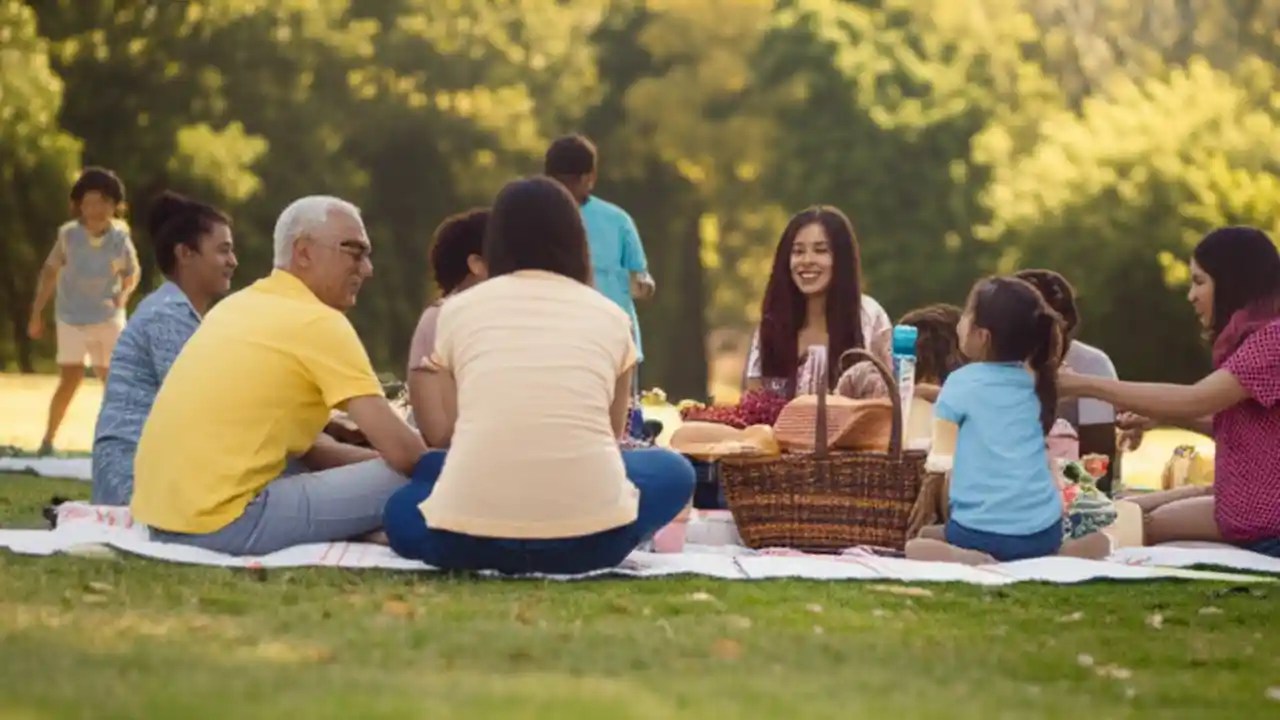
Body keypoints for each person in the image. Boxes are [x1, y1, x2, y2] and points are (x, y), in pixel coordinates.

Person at [384, 176, 695, 575]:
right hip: (589, 544)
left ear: (496, 243)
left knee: (403, 505)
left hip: (466, 541)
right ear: (576, 241)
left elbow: (462, 430)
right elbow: (611, 434)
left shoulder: (455, 312)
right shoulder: (614, 318)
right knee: (674, 471)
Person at [130, 196, 426, 555]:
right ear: (303, 252)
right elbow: (406, 457)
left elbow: (311, 452)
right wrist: (456, 461)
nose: (367, 269)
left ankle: (366, 524)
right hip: (225, 524)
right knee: (423, 474)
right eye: (355, 251)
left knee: (388, 471)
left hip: (162, 521)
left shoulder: (237, 306)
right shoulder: (319, 321)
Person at [1061, 227, 1280, 557]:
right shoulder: (1259, 336)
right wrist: (1161, 414)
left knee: (1137, 521)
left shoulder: (1272, 340)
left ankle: (1051, 558)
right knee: (1126, 507)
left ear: (1233, 281)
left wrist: (1083, 384)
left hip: (1264, 519)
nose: (1191, 295)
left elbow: (1195, 398)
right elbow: (1244, 431)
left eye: (1200, 281)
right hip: (1249, 504)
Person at [906, 277, 1110, 564]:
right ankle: (1057, 554)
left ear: (983, 336)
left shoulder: (959, 382)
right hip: (1042, 532)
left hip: (976, 531)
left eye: (966, 314)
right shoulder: (1037, 383)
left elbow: (941, 458)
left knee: (920, 542)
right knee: (1096, 539)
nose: (960, 322)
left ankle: (973, 559)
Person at [91, 191, 237, 506]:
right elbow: (208, 407)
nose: (232, 262)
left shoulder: (180, 312)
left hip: (156, 469)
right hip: (132, 479)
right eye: (223, 251)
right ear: (185, 253)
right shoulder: (166, 314)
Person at [27, 167, 139, 455]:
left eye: (103, 202)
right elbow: (50, 272)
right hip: (71, 317)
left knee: (112, 380)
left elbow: (132, 272)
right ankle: (48, 440)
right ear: (79, 205)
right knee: (70, 378)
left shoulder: (119, 237)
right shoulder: (68, 236)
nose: (95, 210)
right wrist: (37, 312)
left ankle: (120, 443)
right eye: (88, 203)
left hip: (107, 318)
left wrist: (124, 295)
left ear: (115, 205)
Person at [743, 205, 893, 397]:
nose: (807, 260)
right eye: (798, 252)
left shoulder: (869, 316)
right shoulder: (772, 323)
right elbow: (754, 406)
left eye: (820, 251)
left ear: (841, 259)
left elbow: (894, 398)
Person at [544, 134, 655, 386]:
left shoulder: (616, 221)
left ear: (588, 179)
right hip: (561, 339)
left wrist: (644, 285)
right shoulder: (537, 220)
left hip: (613, 341)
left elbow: (640, 274)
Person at [1015, 269, 1121, 492]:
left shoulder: (1091, 365)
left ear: (1066, 325)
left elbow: (1099, 469)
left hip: (1073, 495)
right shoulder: (996, 366)